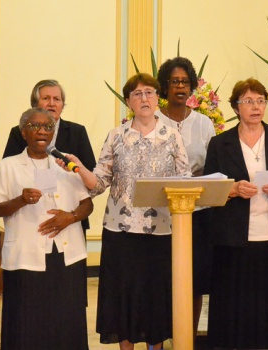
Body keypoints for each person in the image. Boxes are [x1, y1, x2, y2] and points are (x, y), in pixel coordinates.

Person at [63, 73, 191, 350]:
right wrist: (79, 168)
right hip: (120, 230)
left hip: (161, 230)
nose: (144, 98)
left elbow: (185, 180)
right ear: (128, 101)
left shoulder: (173, 136)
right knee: (124, 294)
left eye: (149, 92)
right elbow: (99, 183)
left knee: (154, 295)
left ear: (158, 98)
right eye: (137, 94)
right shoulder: (116, 135)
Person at [202, 78, 268, 349]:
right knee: (234, 306)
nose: (255, 107)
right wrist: (234, 189)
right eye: (248, 101)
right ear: (236, 108)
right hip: (233, 241)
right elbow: (207, 192)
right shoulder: (219, 144)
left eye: (260, 100)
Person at [0, 107, 94, 350]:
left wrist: (71, 216)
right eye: (35, 126)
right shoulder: (7, 166)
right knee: (27, 321)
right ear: (23, 133)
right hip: (26, 255)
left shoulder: (65, 163)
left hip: (66, 255)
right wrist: (20, 200)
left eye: (48, 127)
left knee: (67, 318)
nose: (42, 131)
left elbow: (87, 204)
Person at [155, 57, 216, 331]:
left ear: (192, 87)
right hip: (158, 213)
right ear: (164, 87)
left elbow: (214, 167)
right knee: (161, 278)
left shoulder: (204, 124)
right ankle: (162, 333)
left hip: (197, 214)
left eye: (185, 82)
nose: (180, 86)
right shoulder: (151, 121)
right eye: (174, 81)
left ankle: (187, 337)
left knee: (194, 279)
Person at [2, 79, 96, 232]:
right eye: (46, 98)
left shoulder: (77, 132)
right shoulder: (19, 131)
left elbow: (90, 173)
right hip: (29, 218)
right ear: (35, 105)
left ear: (62, 105)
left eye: (57, 99)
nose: (52, 103)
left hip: (70, 217)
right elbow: (9, 174)